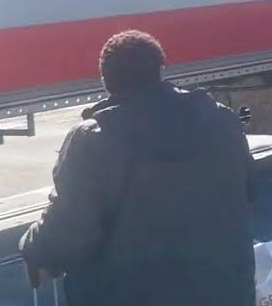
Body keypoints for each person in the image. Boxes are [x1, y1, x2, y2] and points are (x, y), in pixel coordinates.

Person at [19, 30, 256, 306]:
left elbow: (67, 232)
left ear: (105, 81)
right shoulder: (222, 120)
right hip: (224, 292)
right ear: (161, 70)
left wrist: (32, 247)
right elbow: (250, 190)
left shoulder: (94, 139)